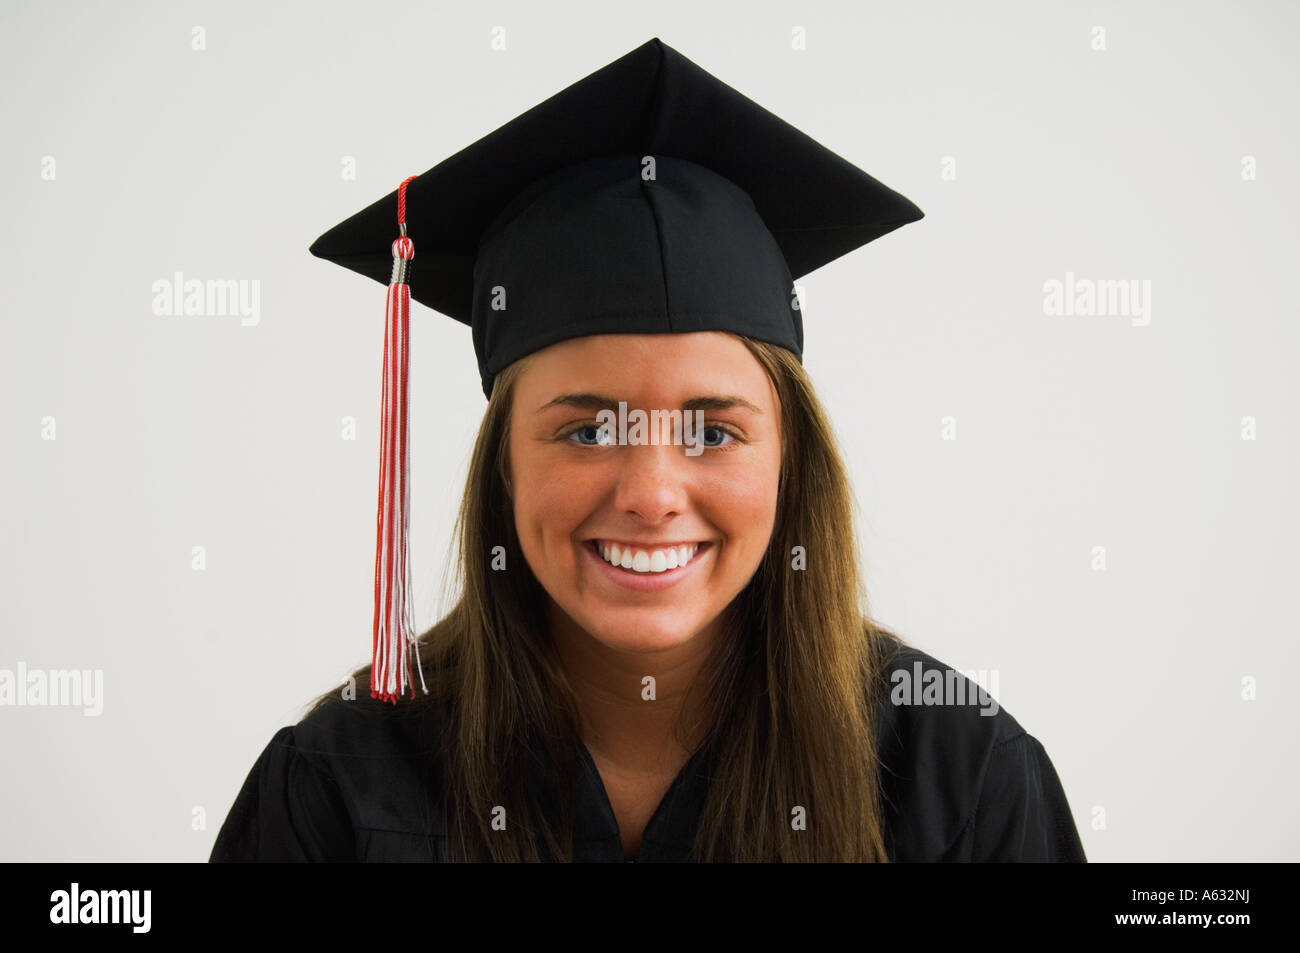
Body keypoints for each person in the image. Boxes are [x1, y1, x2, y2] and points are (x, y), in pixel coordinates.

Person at [210, 37, 1085, 863]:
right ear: (504, 464)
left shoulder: (962, 778)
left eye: (713, 430)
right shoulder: (341, 782)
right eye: (588, 429)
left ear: (791, 460)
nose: (652, 492)